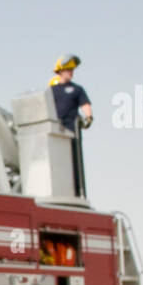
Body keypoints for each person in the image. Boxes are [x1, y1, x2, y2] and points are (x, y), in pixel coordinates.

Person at [49, 53, 93, 198]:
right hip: (55, 131)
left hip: (71, 130)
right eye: (69, 70)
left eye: (72, 71)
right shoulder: (51, 90)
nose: (71, 73)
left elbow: (85, 104)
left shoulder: (76, 89)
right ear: (61, 71)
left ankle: (76, 191)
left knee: (73, 162)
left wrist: (88, 117)